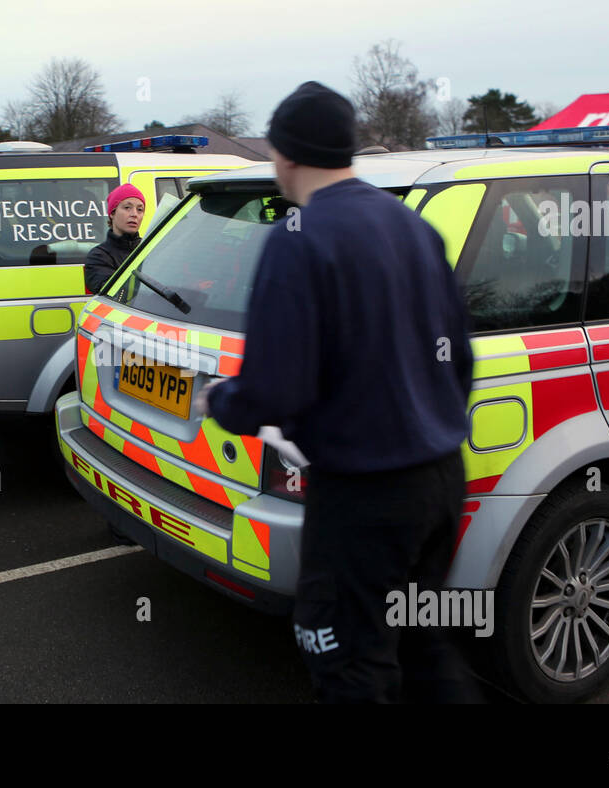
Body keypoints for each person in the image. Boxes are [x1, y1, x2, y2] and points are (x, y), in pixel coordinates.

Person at [200, 81, 478, 703]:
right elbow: (459, 359)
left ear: (287, 154)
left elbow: (276, 389)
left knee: (351, 663)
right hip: (438, 480)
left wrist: (219, 402)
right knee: (423, 644)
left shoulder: (298, 237)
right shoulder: (411, 227)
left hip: (364, 498)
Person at [83, 184, 146, 293]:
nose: (134, 214)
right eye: (127, 208)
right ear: (112, 213)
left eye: (140, 209)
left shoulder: (150, 249)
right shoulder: (99, 256)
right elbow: (114, 294)